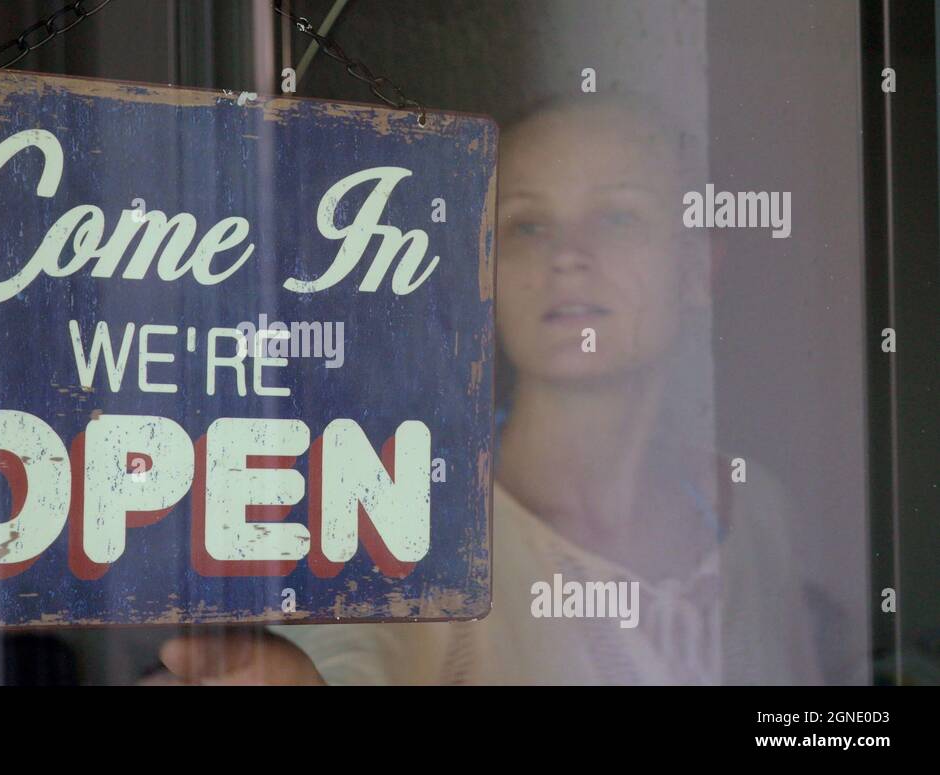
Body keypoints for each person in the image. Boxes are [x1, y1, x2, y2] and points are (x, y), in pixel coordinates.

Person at [147, 95, 823, 685]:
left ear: (699, 268)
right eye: (528, 224)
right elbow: (347, 660)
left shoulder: (756, 511)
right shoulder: (406, 525)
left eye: (618, 216)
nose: (568, 254)